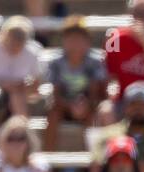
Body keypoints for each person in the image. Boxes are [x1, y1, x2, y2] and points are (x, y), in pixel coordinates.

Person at [45, 16, 108, 153]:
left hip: (88, 106)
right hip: (63, 106)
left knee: (93, 118)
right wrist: (70, 106)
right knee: (52, 115)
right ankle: (48, 157)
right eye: (71, 38)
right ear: (64, 41)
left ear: (87, 41)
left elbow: (97, 92)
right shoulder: (56, 63)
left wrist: (85, 106)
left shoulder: (95, 62)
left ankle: (93, 159)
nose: (75, 42)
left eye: (80, 38)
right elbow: (56, 94)